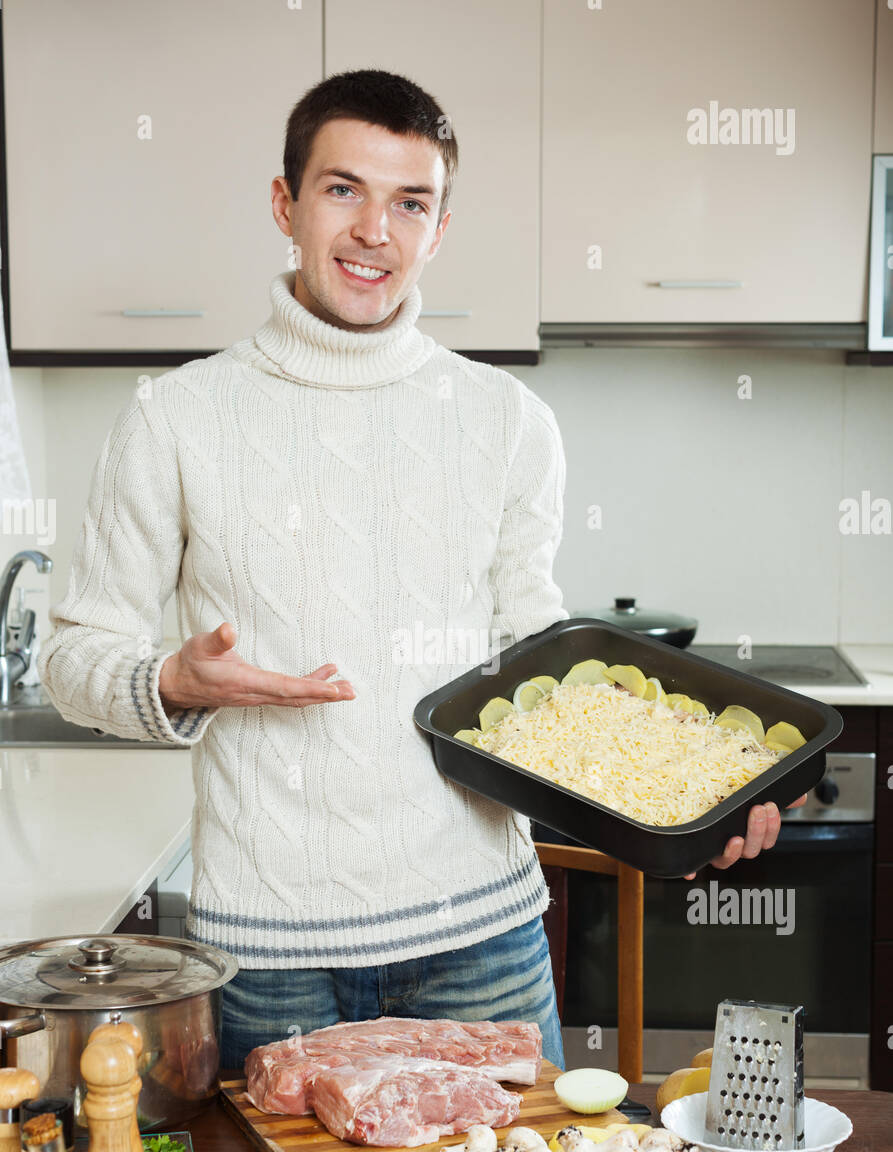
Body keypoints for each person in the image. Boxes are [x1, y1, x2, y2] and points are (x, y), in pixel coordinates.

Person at [38, 69, 800, 1072]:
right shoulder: (173, 418)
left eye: (410, 202)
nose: (373, 232)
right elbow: (73, 656)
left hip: (479, 935)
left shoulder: (505, 421)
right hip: (271, 954)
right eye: (342, 190)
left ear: (438, 228)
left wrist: (698, 794)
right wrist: (173, 682)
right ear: (285, 203)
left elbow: (538, 669)